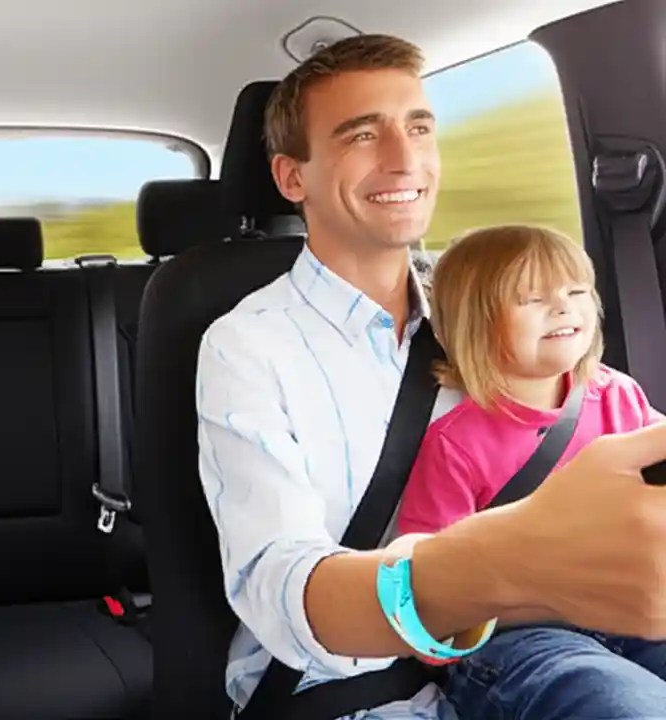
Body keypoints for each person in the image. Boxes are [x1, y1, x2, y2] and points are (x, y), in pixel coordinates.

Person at [198, 33, 666, 719]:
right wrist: (498, 564)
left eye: (419, 127)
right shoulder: (248, 345)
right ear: (292, 177)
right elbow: (280, 585)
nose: (405, 157)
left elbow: (592, 406)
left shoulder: (486, 301)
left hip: (558, 630)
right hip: (359, 693)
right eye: (362, 134)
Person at [395, 225, 666, 718]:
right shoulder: (456, 442)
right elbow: (432, 584)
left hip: (628, 605)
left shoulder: (618, 395)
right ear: (476, 322)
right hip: (524, 636)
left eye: (577, 291)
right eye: (532, 298)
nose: (564, 307)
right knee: (618, 702)